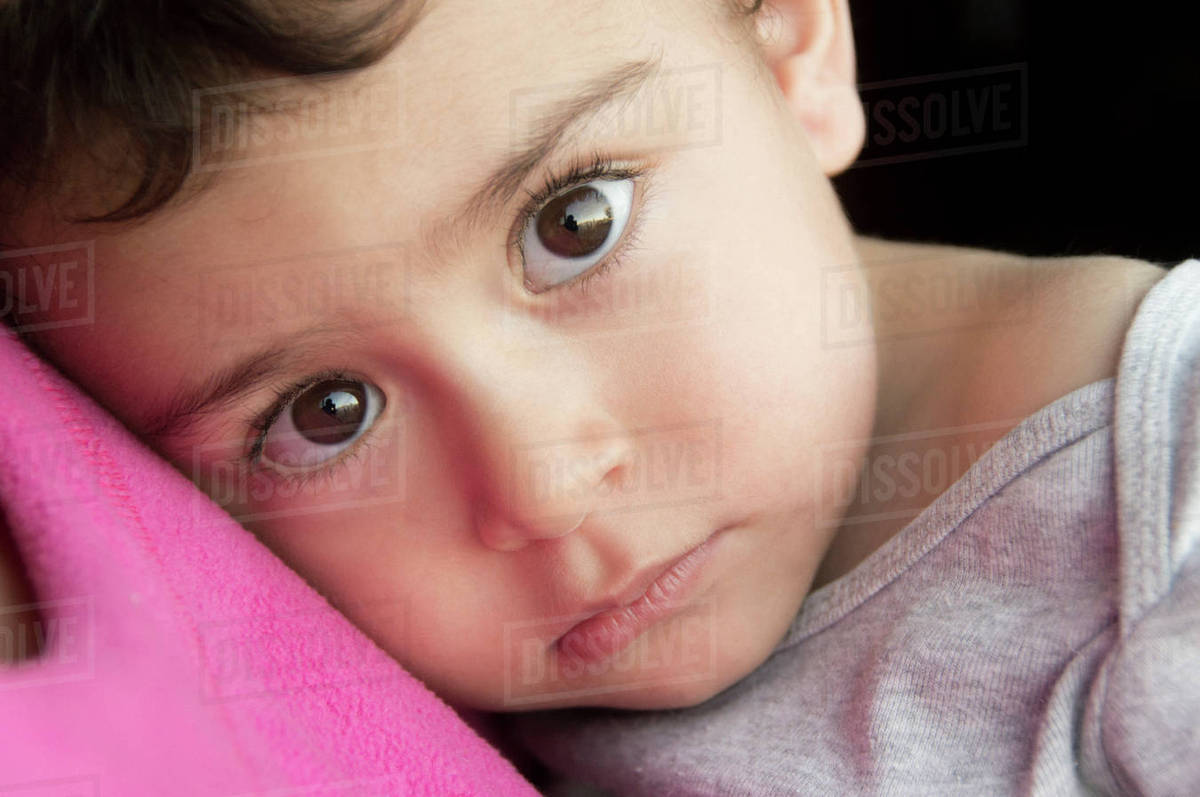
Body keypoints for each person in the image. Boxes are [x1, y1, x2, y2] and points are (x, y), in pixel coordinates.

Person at [0, 0, 1194, 793]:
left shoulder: (1164, 492)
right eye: (326, 414)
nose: (544, 484)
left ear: (790, 45)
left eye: (574, 224)